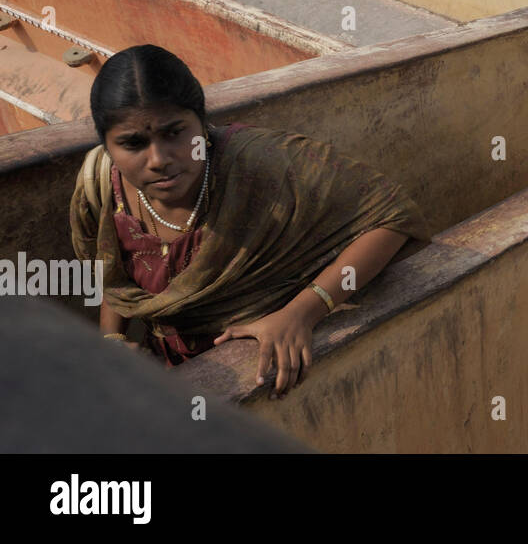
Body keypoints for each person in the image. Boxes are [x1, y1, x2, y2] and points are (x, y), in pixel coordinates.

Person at [69, 44, 435, 396]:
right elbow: (113, 276)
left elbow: (390, 215)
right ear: (107, 145)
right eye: (133, 144)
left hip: (263, 370)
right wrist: (111, 343)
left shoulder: (263, 166)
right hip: (173, 380)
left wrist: (303, 312)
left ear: (201, 121)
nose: (159, 159)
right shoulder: (101, 183)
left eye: (175, 133)